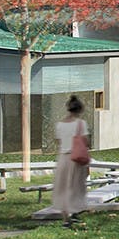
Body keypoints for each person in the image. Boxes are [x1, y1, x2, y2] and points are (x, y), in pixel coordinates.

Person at [52, 96, 91, 228]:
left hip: (63, 158)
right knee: (75, 186)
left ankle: (65, 218)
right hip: (76, 159)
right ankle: (75, 211)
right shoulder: (81, 124)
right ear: (80, 110)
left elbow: (58, 141)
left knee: (62, 188)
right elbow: (86, 142)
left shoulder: (60, 124)